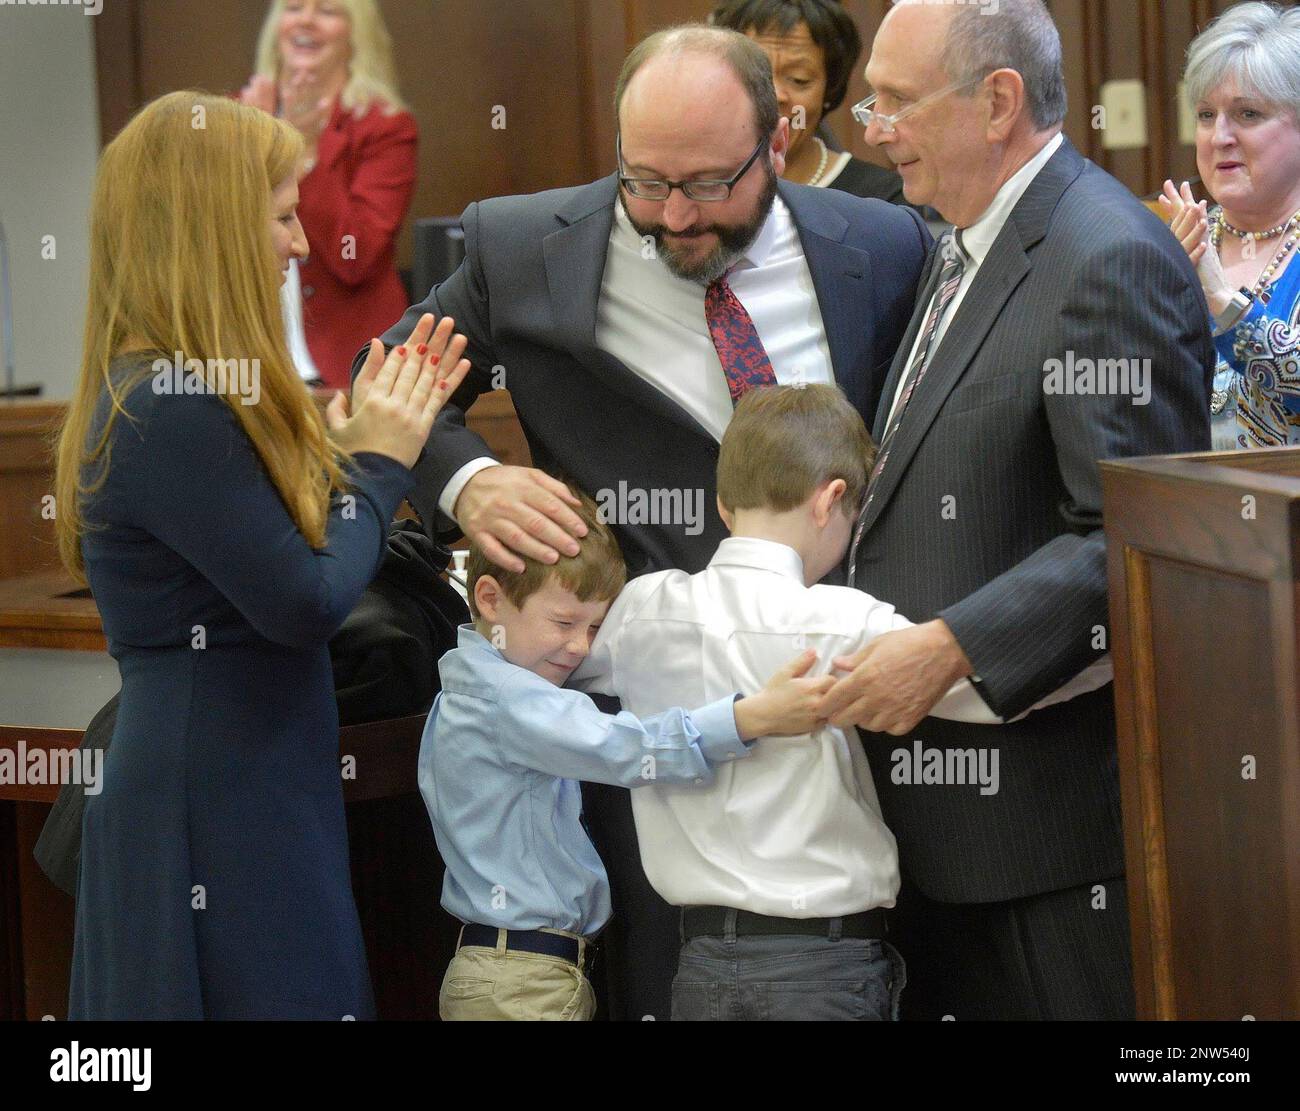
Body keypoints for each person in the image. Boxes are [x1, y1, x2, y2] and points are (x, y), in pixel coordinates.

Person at [356, 24, 931, 1019]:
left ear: (780, 137)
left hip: (852, 711)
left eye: (709, 185)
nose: (673, 215)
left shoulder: (879, 244)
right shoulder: (522, 247)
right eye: (644, 181)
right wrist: (470, 484)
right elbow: (387, 378)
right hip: (646, 737)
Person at [818, 0, 1214, 1020]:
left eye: (895, 101)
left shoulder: (1103, 256)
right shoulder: (959, 240)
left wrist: (950, 644)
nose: (872, 128)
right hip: (941, 827)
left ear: (996, 102)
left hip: (1044, 840)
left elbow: (1129, 538)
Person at [54, 91, 469, 1020]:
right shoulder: (172, 404)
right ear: (211, 227)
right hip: (214, 799)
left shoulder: (172, 391)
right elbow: (306, 600)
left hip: (249, 779)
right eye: (282, 215)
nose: (298, 243)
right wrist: (377, 461)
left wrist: (349, 453)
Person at [572, 385, 1111, 1021]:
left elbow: (563, 665)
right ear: (832, 500)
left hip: (700, 962)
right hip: (823, 964)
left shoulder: (642, 609)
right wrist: (1109, 655)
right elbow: (994, 691)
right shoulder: (839, 622)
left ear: (722, 503)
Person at [419, 488, 831, 1021]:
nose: (581, 647)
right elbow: (622, 747)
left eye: (594, 627)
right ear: (491, 599)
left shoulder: (466, 688)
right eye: (564, 623)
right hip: (521, 982)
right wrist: (751, 717)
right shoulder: (506, 700)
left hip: (513, 971)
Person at [240, 0, 417, 388]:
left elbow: (356, 256)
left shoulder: (383, 127)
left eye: (327, 11)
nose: (306, 19)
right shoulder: (236, 117)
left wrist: (304, 152)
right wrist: (246, 144)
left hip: (349, 368)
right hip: (251, 365)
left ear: (356, 35)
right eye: (294, 7)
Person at [1159, 2, 1300, 451]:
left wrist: (1223, 303)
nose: (1219, 136)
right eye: (1205, 115)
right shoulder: (1168, 245)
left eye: (1248, 114)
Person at [710, 0, 906, 202]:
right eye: (756, 75)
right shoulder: (690, 184)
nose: (776, 95)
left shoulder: (882, 200)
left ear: (830, 90)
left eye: (799, 79)